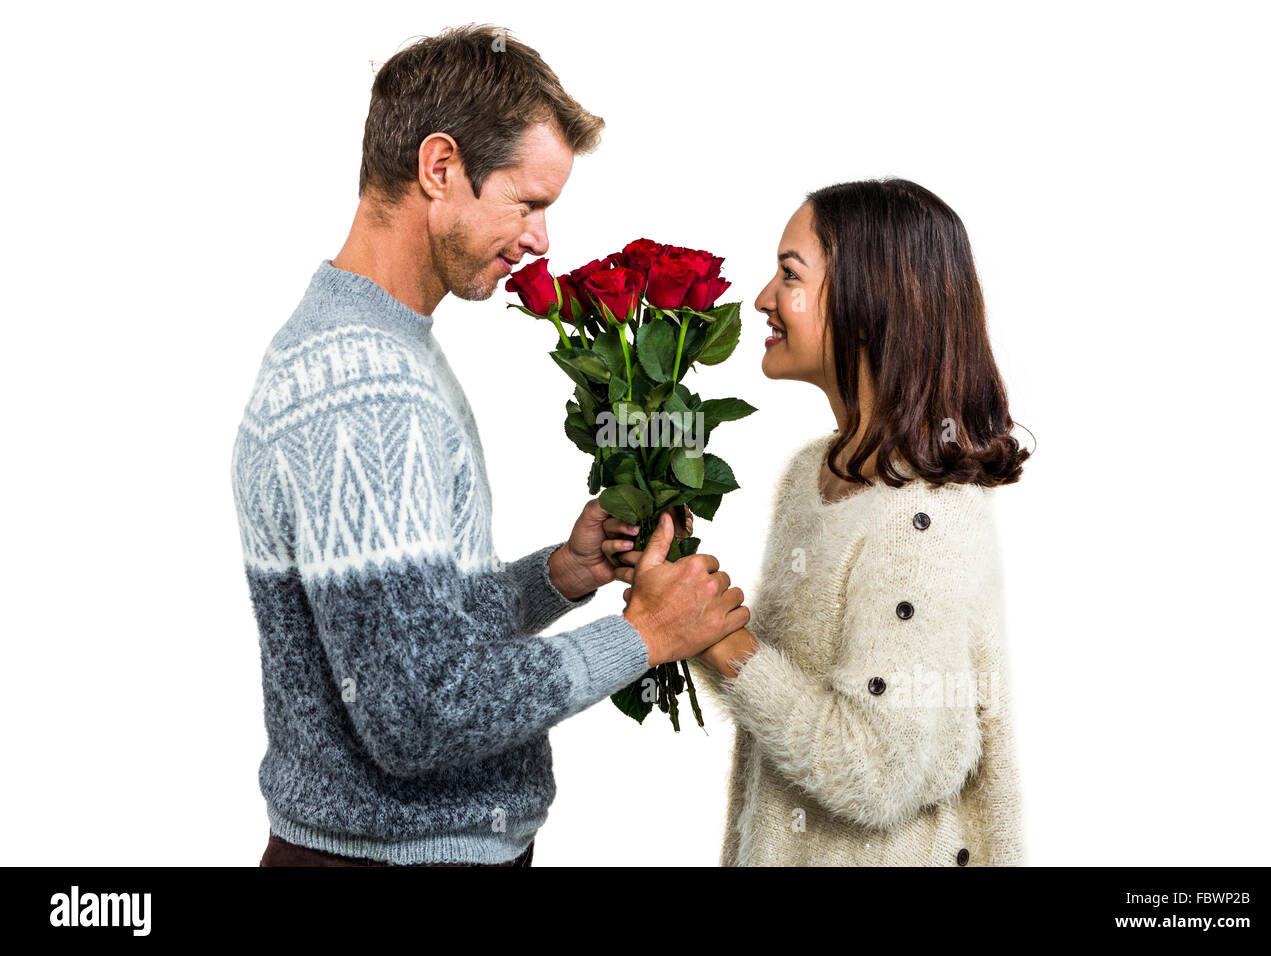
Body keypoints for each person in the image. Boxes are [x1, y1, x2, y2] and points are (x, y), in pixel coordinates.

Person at [230, 24, 748, 867]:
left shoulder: (377, 346)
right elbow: (419, 714)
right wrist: (645, 638)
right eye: (528, 201)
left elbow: (401, 634)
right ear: (440, 168)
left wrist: (557, 577)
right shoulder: (364, 385)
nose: (540, 239)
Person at [622, 178, 1028, 865]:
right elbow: (787, 707)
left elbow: (876, 769)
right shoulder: (817, 472)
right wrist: (683, 606)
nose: (762, 299)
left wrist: (722, 644)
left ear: (870, 303)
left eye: (790, 274)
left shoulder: (922, 519)